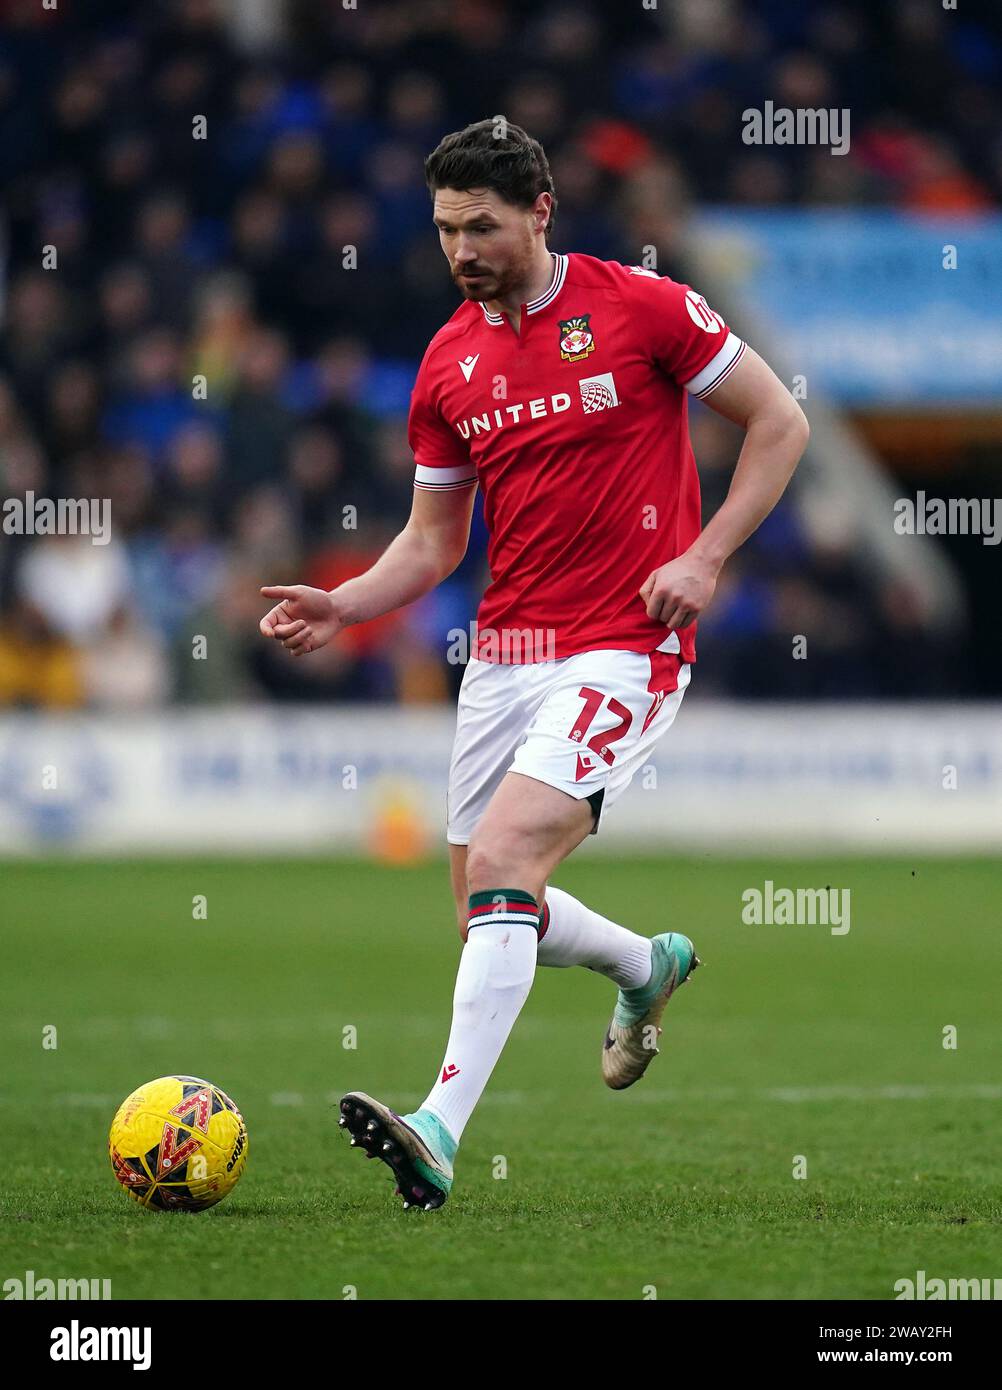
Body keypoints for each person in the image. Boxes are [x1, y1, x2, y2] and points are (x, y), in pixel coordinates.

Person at [259, 120, 809, 1211]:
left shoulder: (639, 305)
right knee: (489, 902)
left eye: (483, 225)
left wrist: (705, 557)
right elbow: (430, 543)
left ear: (540, 212)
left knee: (510, 851)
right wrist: (347, 602)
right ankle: (645, 967)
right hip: (506, 652)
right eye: (446, 229)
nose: (462, 248)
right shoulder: (447, 362)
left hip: (628, 641)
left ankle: (437, 1129)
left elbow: (779, 422)